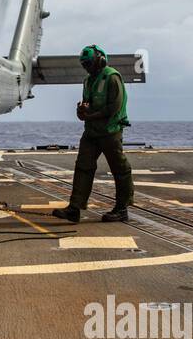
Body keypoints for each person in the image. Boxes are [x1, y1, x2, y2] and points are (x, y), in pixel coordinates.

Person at [52, 45, 134, 223]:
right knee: (83, 167)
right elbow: (87, 104)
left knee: (120, 169)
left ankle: (122, 209)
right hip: (91, 132)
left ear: (100, 60)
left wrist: (90, 116)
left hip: (110, 131)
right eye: (84, 64)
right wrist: (81, 111)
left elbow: (114, 107)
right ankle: (74, 209)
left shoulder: (112, 77)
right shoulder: (88, 81)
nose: (86, 67)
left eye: (88, 63)